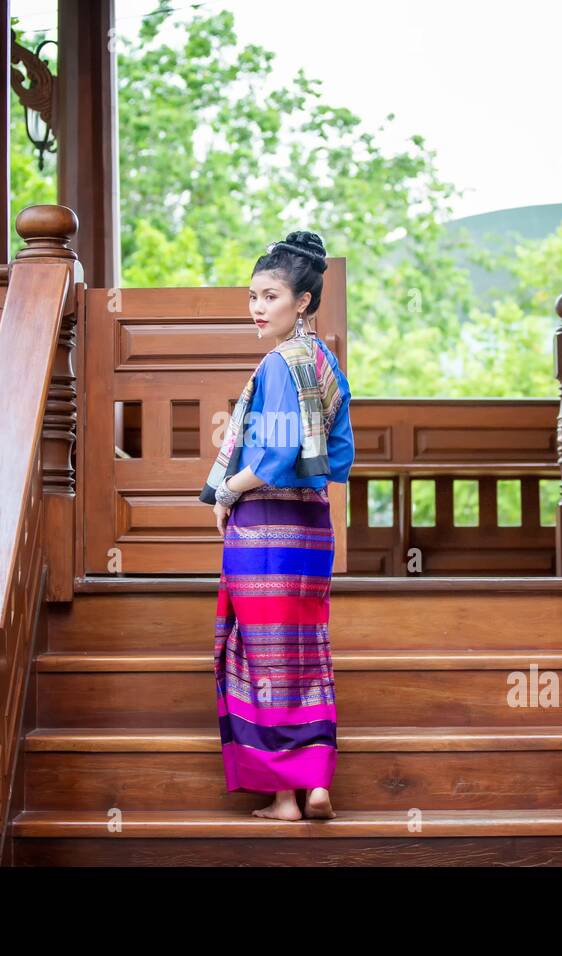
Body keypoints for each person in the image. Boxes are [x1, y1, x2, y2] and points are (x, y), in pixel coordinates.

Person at [201, 230, 354, 822]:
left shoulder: (276, 363)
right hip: (312, 527)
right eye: (253, 296)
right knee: (303, 648)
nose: (257, 308)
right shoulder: (324, 362)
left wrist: (224, 491)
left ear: (303, 302)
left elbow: (272, 460)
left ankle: (284, 796)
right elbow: (336, 457)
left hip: (266, 527)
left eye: (270, 295)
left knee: (256, 653)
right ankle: (313, 783)